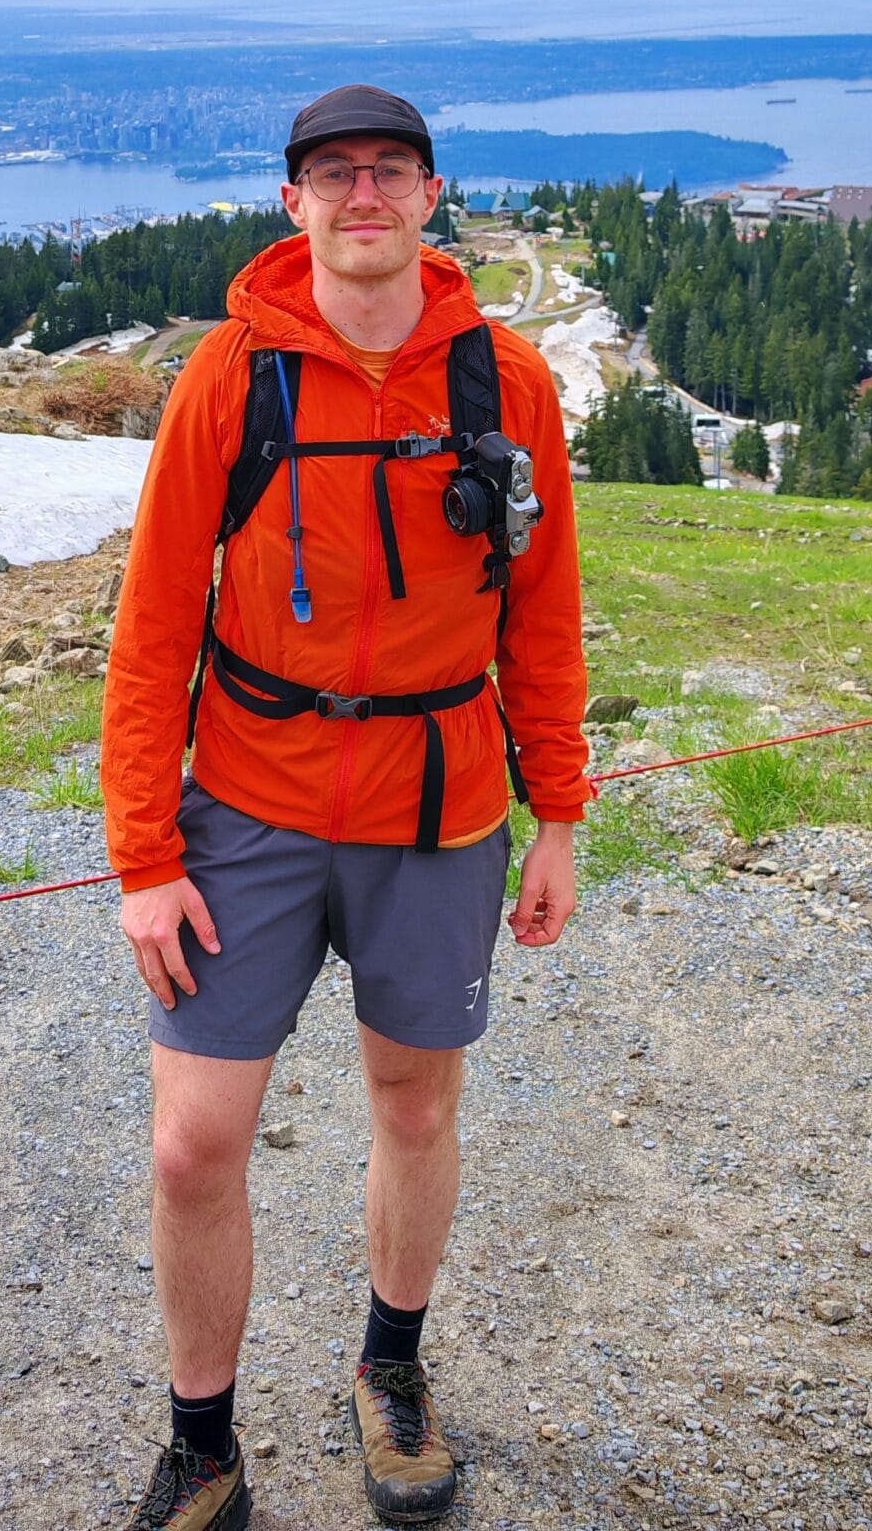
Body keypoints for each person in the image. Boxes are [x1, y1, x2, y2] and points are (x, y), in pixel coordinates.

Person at [102, 83, 591, 1529]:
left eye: (389, 171)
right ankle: (203, 1443)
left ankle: (392, 1369)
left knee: (415, 1106)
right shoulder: (229, 375)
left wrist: (558, 814)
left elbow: (543, 609)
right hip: (245, 811)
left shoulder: (506, 381)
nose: (362, 194)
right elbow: (153, 630)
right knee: (192, 1141)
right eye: (334, 174)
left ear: (431, 197)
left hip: (439, 810)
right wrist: (144, 855)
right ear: (293, 203)